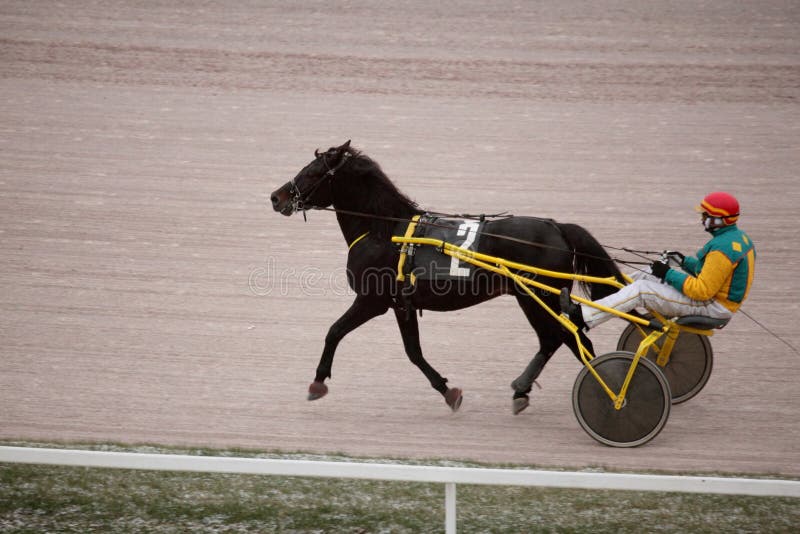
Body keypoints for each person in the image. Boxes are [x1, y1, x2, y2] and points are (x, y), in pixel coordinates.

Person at [560, 191, 756, 330]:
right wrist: (683, 261)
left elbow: (702, 291)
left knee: (642, 289)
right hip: (715, 302)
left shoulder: (722, 250)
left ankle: (583, 317)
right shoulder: (736, 239)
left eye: (705, 215)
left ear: (718, 220)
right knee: (647, 273)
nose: (702, 219)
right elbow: (711, 273)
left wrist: (668, 273)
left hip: (712, 307)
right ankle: (613, 298)